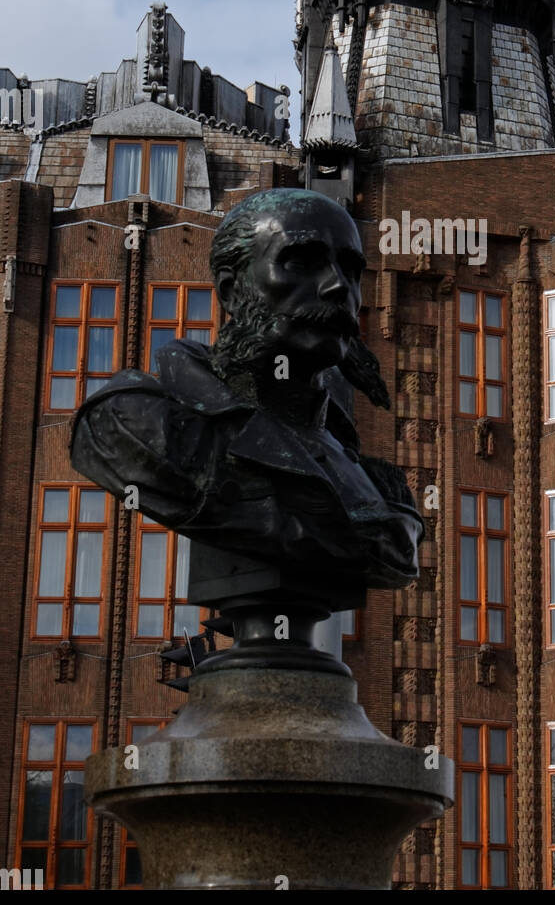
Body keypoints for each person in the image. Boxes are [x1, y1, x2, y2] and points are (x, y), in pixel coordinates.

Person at [70, 188, 423, 614]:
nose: (337, 287)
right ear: (231, 290)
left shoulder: (377, 483)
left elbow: (393, 552)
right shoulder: (134, 420)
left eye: (350, 270)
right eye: (301, 262)